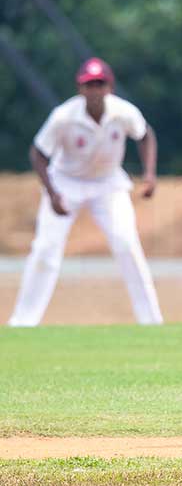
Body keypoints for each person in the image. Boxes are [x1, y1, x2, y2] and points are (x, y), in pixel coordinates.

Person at [8, 57, 163, 327]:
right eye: (89, 85)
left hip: (108, 184)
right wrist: (52, 193)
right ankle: (23, 322)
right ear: (80, 89)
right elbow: (38, 153)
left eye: (99, 84)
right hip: (66, 182)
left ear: (109, 87)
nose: (94, 90)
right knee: (45, 250)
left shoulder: (123, 112)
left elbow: (145, 135)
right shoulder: (63, 116)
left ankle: (151, 322)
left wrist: (149, 174)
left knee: (127, 243)